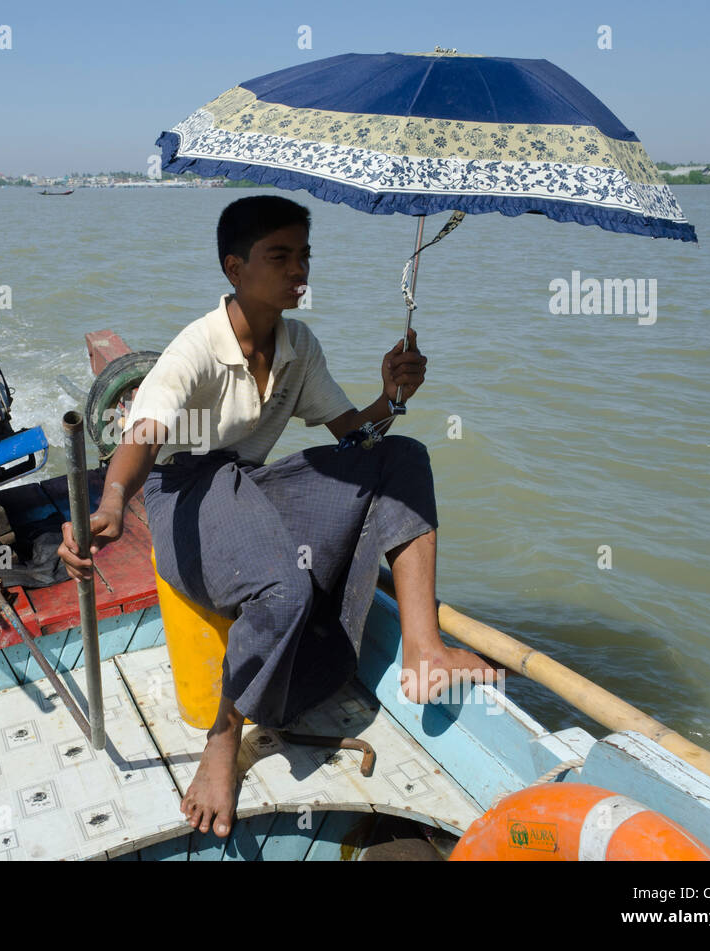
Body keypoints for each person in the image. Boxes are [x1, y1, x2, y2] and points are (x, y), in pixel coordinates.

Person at [58, 195, 495, 840]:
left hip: (248, 487)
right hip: (185, 495)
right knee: (282, 586)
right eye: (280, 256)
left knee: (399, 457)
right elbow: (145, 434)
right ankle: (223, 736)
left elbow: (352, 435)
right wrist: (116, 500)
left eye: (305, 256)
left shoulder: (298, 346)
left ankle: (424, 650)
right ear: (235, 268)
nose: (299, 270)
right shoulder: (196, 349)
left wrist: (391, 396)